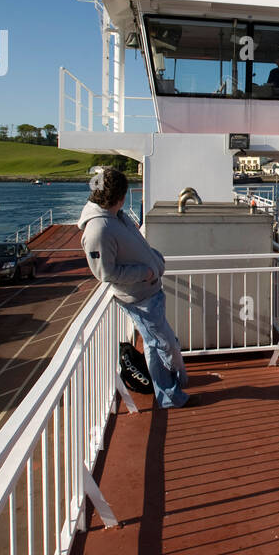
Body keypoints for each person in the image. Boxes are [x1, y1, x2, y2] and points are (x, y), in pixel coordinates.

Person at [78, 167, 193, 408]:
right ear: (118, 197)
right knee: (163, 344)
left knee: (158, 343)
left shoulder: (116, 216)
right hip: (139, 299)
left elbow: (135, 245)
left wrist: (155, 258)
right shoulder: (98, 230)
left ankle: (171, 388)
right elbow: (105, 273)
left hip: (149, 292)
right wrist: (146, 272)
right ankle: (170, 396)